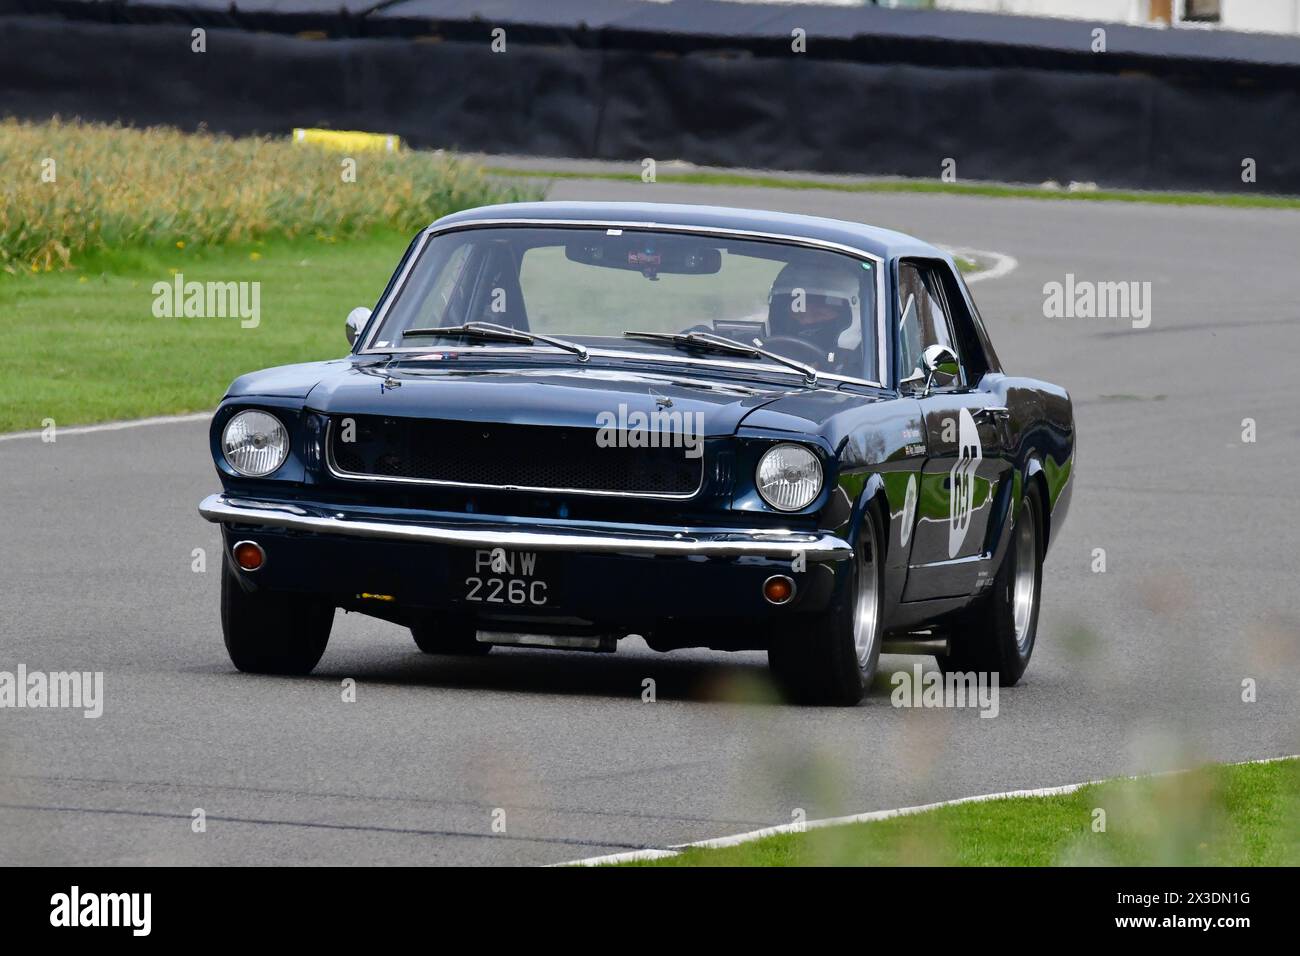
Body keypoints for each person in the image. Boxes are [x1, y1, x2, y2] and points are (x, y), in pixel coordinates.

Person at [766, 261, 863, 370]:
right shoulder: (757, 354)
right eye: (797, 314)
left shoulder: (867, 369)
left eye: (820, 314)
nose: (806, 321)